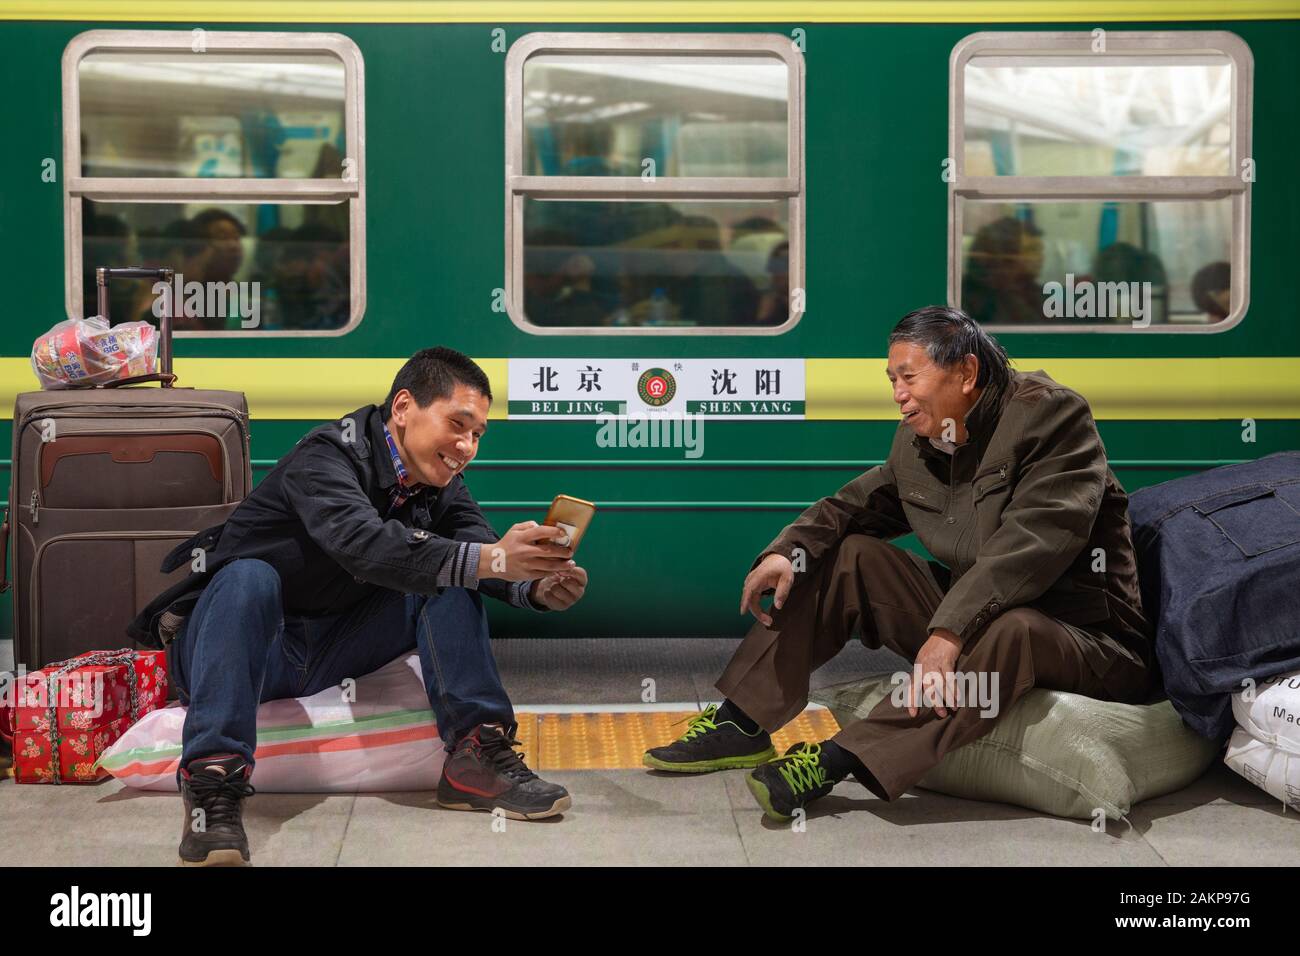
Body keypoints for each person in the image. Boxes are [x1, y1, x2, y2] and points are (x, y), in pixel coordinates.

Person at [645, 306, 1152, 821]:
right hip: (982, 620)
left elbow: (1035, 543)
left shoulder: (1052, 416)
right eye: (892, 379)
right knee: (849, 555)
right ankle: (742, 724)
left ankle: (835, 760)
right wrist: (788, 550)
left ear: (967, 373)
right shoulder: (922, 437)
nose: (898, 394)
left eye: (909, 377)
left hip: (1088, 642)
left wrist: (948, 631)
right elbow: (853, 506)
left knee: (1016, 627)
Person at [129, 347, 589, 865]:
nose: (467, 447)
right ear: (403, 408)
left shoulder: (440, 485)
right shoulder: (326, 456)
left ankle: (474, 757)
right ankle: (214, 783)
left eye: (478, 434)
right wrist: (488, 558)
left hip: (334, 648)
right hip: (248, 647)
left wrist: (533, 587)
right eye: (457, 425)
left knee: (450, 573)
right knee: (249, 577)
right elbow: (362, 543)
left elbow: (475, 548)